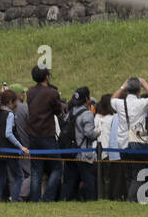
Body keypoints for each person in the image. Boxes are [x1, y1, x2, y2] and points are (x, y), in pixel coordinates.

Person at [25, 65, 63, 202]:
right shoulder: (52, 93)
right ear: (47, 76)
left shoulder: (29, 92)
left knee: (36, 170)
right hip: (47, 134)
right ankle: (48, 197)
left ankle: (35, 199)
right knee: (57, 167)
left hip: (33, 135)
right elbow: (58, 111)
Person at [62, 87, 98, 201]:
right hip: (84, 152)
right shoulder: (87, 114)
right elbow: (89, 133)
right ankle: (91, 200)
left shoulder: (70, 112)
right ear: (87, 99)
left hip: (71, 151)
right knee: (89, 179)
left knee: (71, 179)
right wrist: (97, 133)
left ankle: (68, 199)